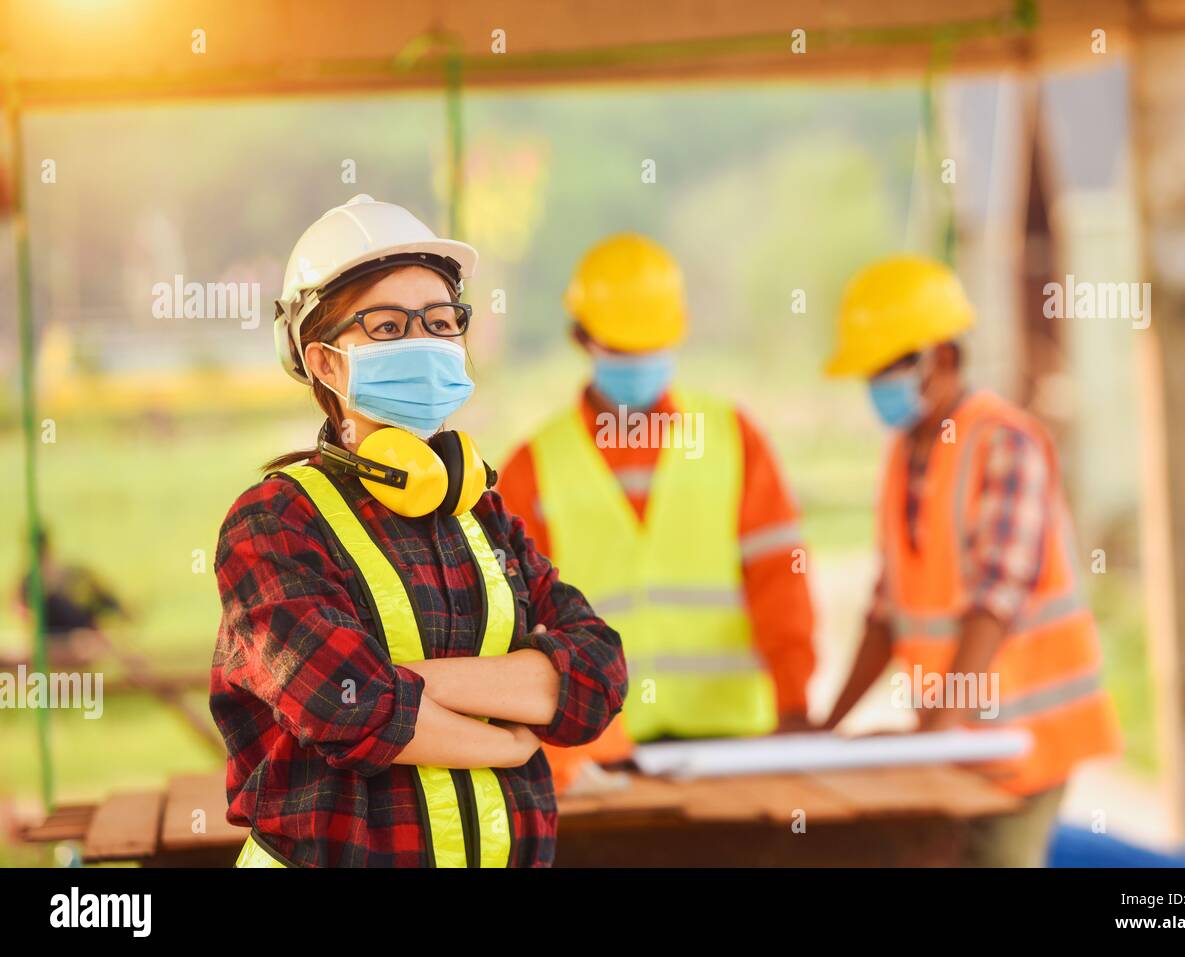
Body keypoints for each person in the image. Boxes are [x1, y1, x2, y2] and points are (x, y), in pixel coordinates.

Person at [210, 195, 627, 867]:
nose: (424, 341)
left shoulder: (481, 513)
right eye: (386, 325)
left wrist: (403, 681)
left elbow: (598, 675)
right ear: (324, 363)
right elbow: (345, 704)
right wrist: (509, 736)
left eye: (440, 321)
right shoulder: (273, 522)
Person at [820, 255, 1122, 867]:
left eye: (888, 369)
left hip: (1026, 737)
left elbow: (995, 599)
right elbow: (887, 612)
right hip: (959, 738)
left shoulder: (1004, 443)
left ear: (945, 359)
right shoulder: (903, 456)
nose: (877, 387)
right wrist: (829, 730)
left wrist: (937, 728)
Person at [497, 233, 815, 781]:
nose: (640, 360)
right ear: (581, 337)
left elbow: (779, 580)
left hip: (732, 742)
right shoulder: (533, 466)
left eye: (653, 345)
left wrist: (794, 707)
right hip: (595, 752)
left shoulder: (733, 439)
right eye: (624, 347)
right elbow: (509, 621)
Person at [12, 527, 123, 668]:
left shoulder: (68, 573)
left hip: (75, 636)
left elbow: (22, 612)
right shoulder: (33, 580)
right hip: (61, 639)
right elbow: (23, 612)